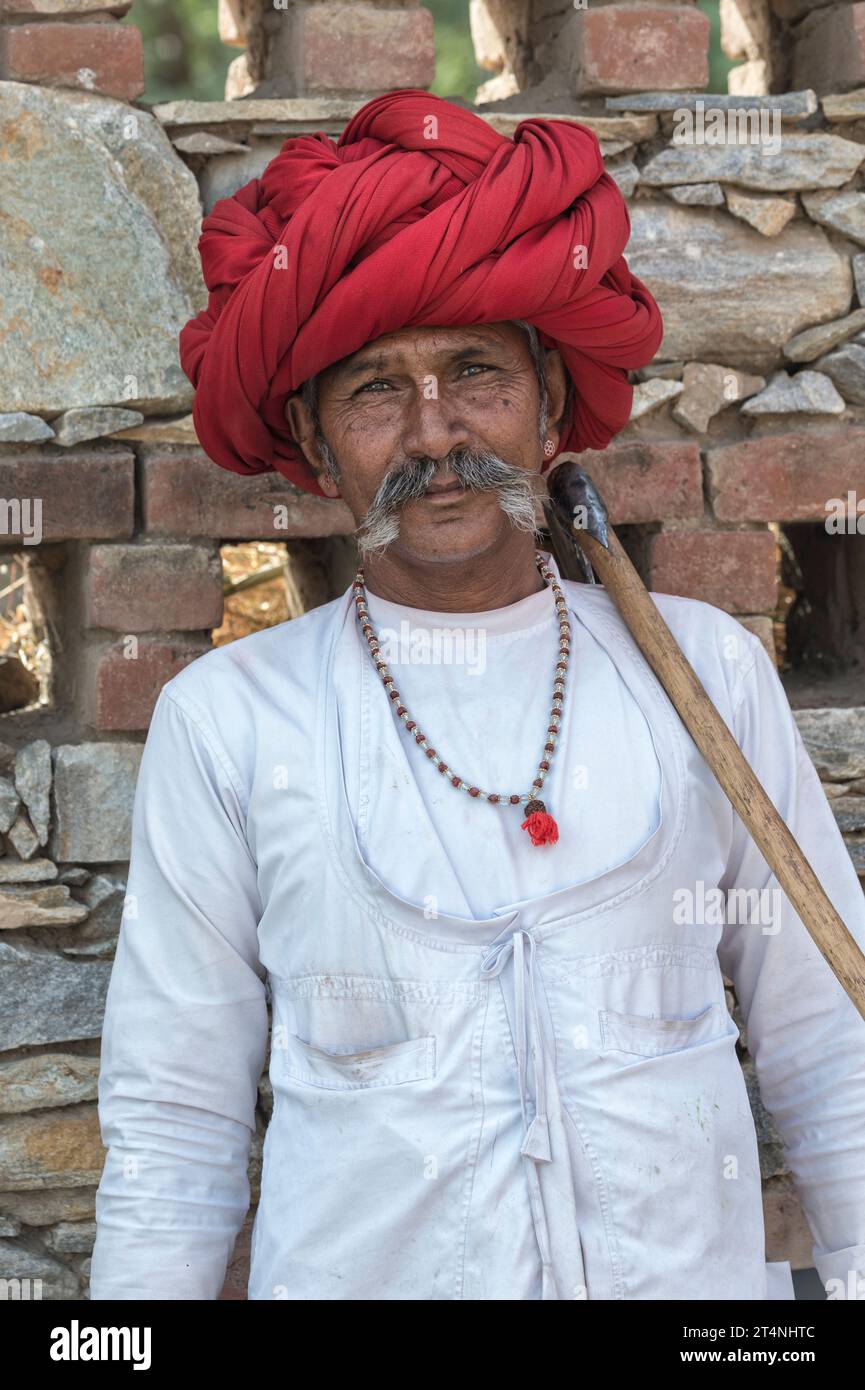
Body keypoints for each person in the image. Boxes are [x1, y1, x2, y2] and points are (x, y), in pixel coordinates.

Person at [89, 91, 865, 1302]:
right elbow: (176, 1121)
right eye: (375, 392)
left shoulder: (704, 673)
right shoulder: (231, 723)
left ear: (551, 403)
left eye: (474, 374)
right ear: (308, 429)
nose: (436, 433)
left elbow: (831, 1050)